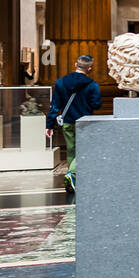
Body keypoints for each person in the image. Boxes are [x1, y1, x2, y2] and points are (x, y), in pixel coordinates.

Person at [45, 54, 102, 192]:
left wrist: (49, 125)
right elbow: (97, 104)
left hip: (67, 121)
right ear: (89, 68)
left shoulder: (60, 82)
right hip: (85, 122)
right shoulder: (92, 85)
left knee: (71, 150)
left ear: (76, 65)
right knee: (83, 149)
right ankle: (72, 174)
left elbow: (55, 105)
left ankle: (71, 180)